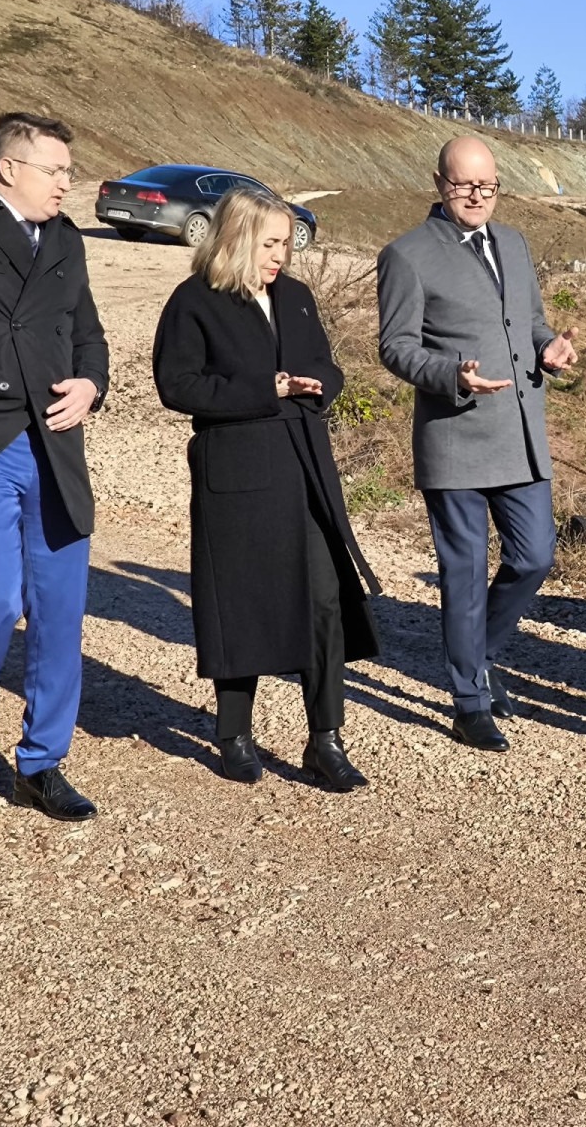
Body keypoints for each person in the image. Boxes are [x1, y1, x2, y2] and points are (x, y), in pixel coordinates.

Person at [153, 188, 382, 791]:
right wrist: (267, 388)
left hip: (305, 464)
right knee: (241, 602)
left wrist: (320, 384)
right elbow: (176, 386)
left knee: (324, 599)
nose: (281, 255)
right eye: (270, 243)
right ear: (236, 239)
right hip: (236, 471)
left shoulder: (297, 296)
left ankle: (325, 739)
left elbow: (327, 364)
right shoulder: (194, 301)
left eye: (285, 243)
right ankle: (233, 734)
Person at [378, 136, 577, 752]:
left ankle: (479, 657)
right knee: (463, 573)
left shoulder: (513, 243)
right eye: (465, 185)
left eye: (487, 186)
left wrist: (549, 345)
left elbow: (530, 321)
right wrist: (451, 375)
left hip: (520, 437)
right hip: (455, 439)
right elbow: (396, 346)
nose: (476, 196)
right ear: (440, 183)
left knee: (535, 556)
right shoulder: (406, 255)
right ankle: (469, 701)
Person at [0, 112, 109, 829]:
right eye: (54, 170)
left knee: (59, 610)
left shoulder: (66, 239)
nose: (65, 183)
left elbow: (89, 334)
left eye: (68, 171)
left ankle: (41, 765)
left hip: (54, 445)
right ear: (7, 169)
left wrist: (91, 383)